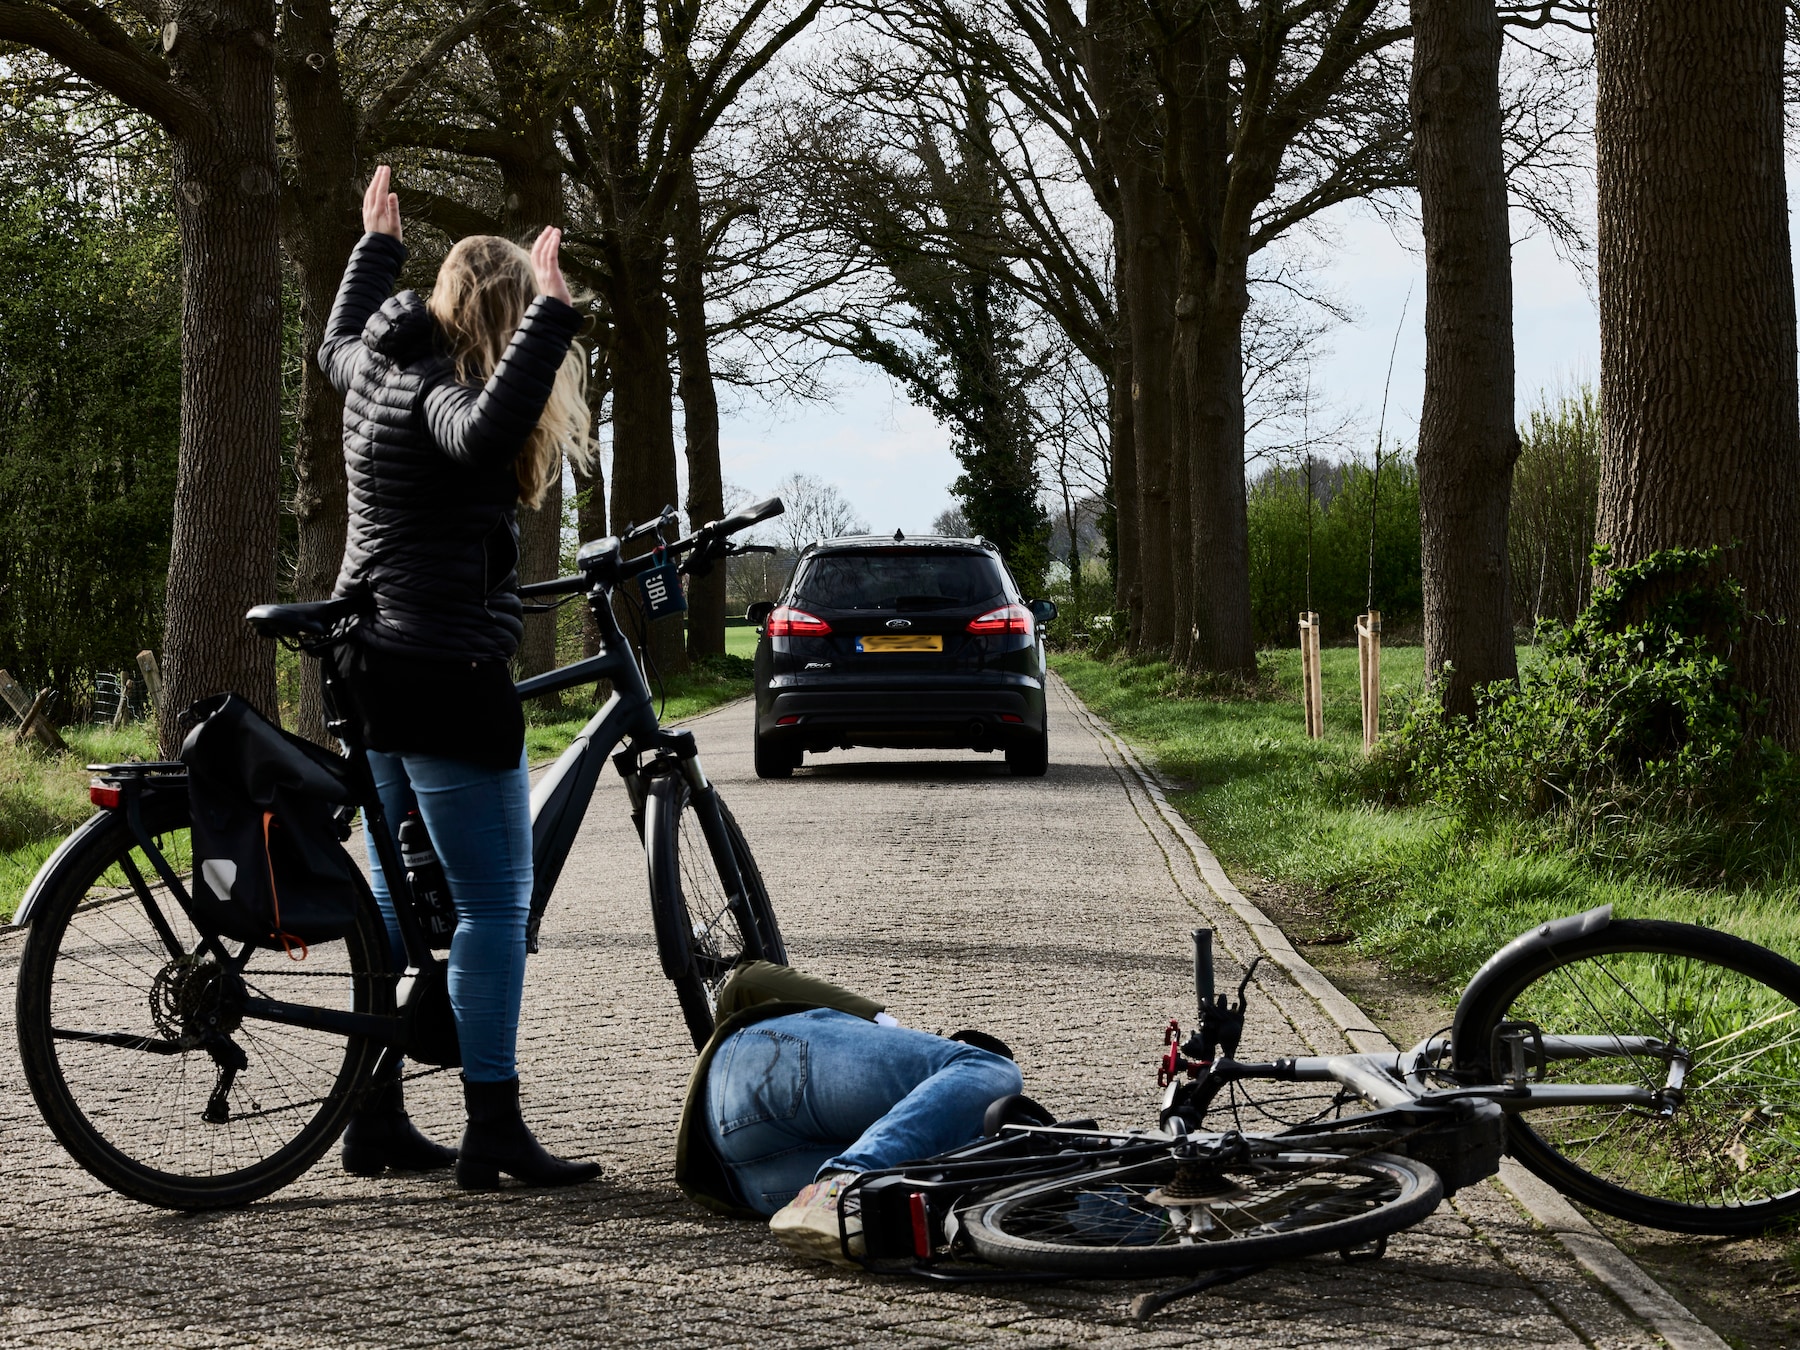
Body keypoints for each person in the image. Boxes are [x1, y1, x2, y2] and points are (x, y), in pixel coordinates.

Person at [317, 165, 599, 1191]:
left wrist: (373, 246)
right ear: (503, 319)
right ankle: (494, 1128)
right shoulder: (441, 391)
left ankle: (375, 1114)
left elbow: (331, 343)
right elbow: (482, 438)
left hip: (369, 664)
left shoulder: (377, 366)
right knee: (494, 904)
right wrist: (555, 321)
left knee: (395, 893)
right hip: (439, 665)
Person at [677, 963, 1026, 1264]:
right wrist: (885, 1027)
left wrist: (883, 1023)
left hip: (732, 1174)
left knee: (984, 1077)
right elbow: (744, 981)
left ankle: (841, 1187)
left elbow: (744, 979)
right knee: (990, 1081)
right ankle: (847, 1181)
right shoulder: (915, 1083)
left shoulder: (912, 1105)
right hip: (749, 1175)